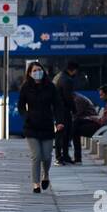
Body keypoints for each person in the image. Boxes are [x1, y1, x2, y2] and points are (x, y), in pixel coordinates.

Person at [20, 59, 66, 193]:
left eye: (39, 70)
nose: (37, 73)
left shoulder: (50, 86)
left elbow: (58, 105)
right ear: (29, 73)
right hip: (31, 126)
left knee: (46, 156)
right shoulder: (26, 87)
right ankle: (35, 183)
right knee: (36, 156)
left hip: (46, 125)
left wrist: (60, 122)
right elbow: (21, 105)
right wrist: (26, 116)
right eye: (34, 71)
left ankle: (45, 175)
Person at [52, 61, 80, 165]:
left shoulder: (59, 76)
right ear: (74, 70)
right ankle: (61, 157)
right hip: (64, 110)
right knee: (63, 134)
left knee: (63, 133)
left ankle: (63, 156)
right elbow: (68, 97)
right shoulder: (67, 80)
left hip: (58, 109)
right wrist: (74, 109)